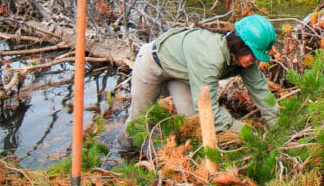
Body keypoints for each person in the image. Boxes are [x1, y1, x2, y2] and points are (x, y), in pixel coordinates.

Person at [119, 14, 279, 150]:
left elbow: (262, 94)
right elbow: (210, 109)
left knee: (193, 122)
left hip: (183, 73)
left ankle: (175, 154)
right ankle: (127, 154)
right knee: (137, 124)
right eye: (253, 56)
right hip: (152, 63)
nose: (256, 62)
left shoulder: (246, 60)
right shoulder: (210, 57)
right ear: (240, 46)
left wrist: (280, 130)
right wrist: (247, 133)